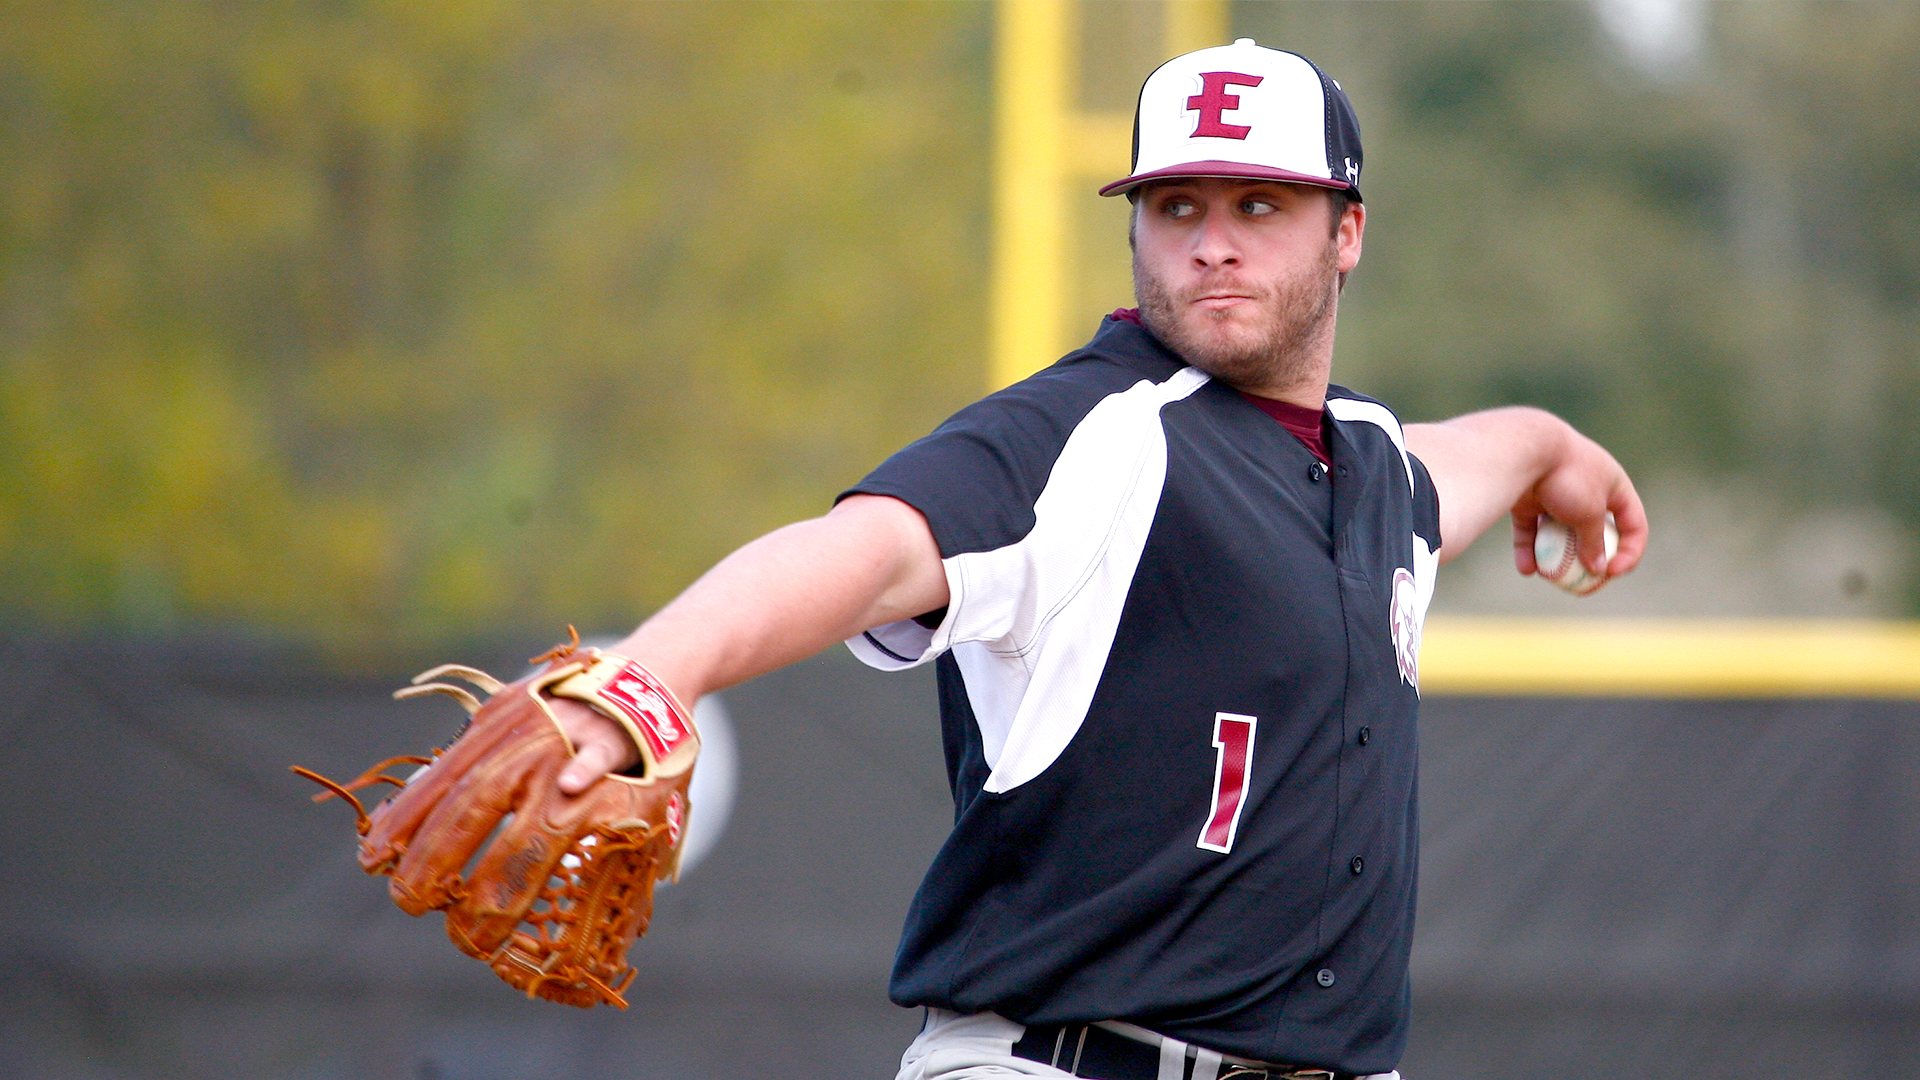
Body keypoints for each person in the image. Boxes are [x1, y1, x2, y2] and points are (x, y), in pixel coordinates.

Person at [545, 39, 1645, 1080]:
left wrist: (1556, 446)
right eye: (1177, 208)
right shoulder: (1093, 433)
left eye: (1258, 205)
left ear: (1346, 232)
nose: (1214, 242)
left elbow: (1458, 466)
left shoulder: (1370, 466)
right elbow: (864, 551)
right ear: (1137, 233)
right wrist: (653, 673)